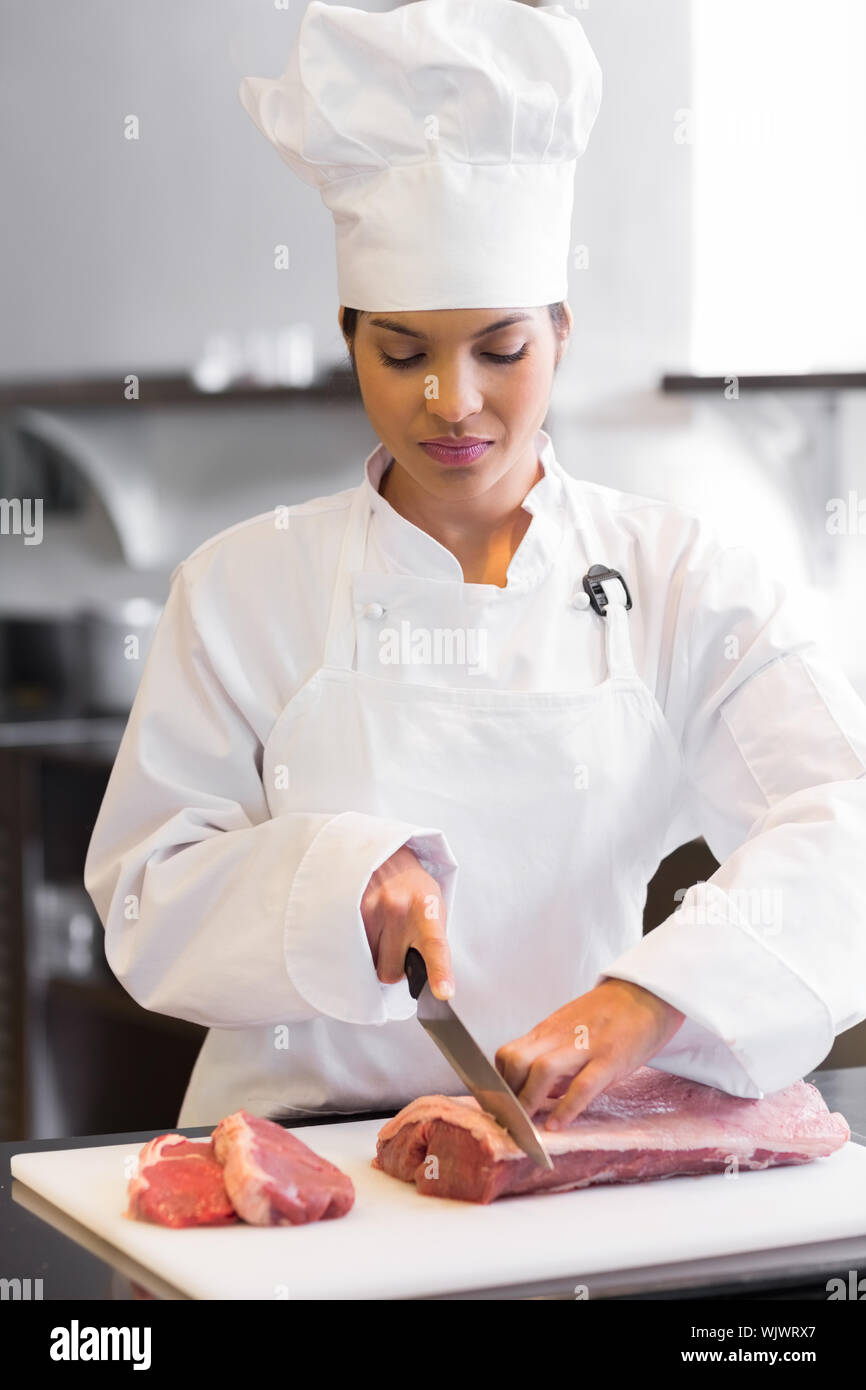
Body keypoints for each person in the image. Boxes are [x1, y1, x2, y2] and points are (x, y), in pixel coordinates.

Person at [84, 0, 866, 1130]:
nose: (452, 402)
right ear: (349, 339)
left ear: (559, 331)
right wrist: (336, 883)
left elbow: (843, 821)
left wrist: (648, 1000)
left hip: (554, 1150)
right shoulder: (243, 587)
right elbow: (147, 900)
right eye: (402, 353)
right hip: (302, 1167)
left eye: (499, 348)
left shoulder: (678, 577)